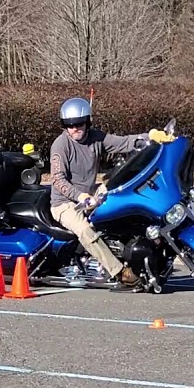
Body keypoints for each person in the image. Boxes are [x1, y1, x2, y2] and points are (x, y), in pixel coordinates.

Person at [49, 97, 173, 288]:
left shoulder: (96, 137)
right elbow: (57, 179)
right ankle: (119, 272)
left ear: (87, 122)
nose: (75, 128)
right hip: (64, 203)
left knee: (119, 194)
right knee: (84, 230)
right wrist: (79, 196)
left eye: (79, 124)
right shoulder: (60, 145)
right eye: (70, 125)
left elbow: (124, 142)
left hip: (89, 193)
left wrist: (151, 137)